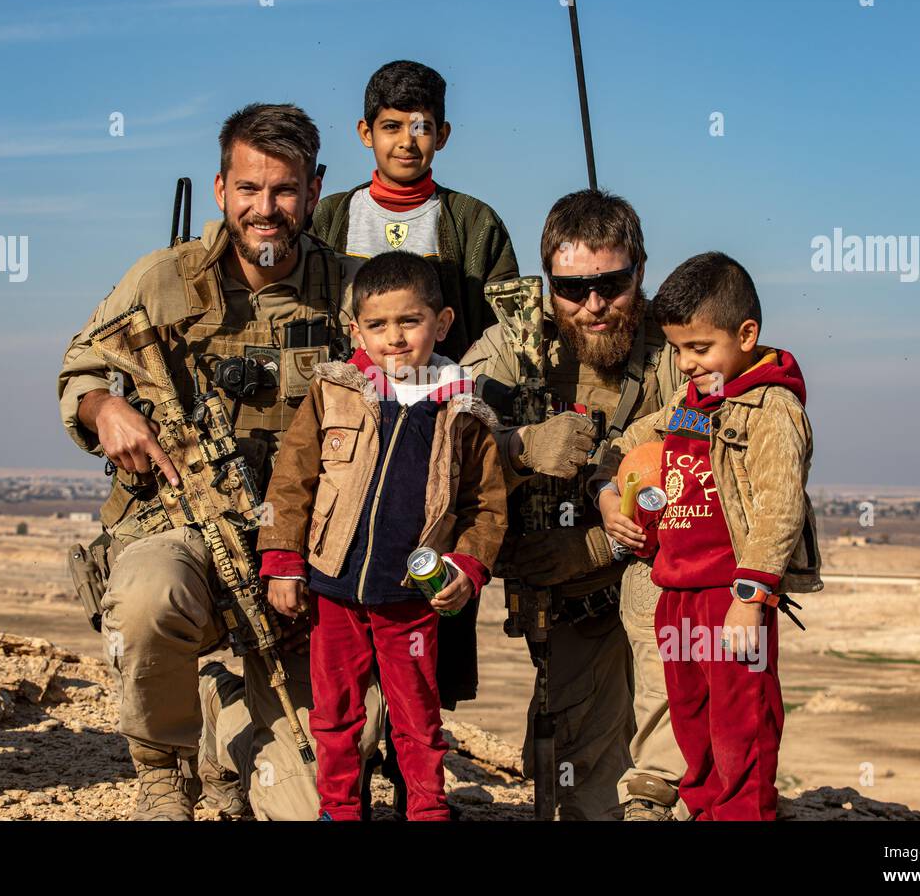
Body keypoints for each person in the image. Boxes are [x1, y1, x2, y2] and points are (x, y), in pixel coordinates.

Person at [57, 102, 384, 820]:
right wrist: (104, 410)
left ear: (316, 189)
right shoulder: (163, 279)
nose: (265, 209)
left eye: (285, 190)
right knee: (148, 597)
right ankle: (163, 769)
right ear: (219, 189)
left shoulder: (355, 292)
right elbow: (78, 369)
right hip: (181, 531)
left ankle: (223, 727)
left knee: (330, 769)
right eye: (248, 189)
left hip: (304, 554)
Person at [461, 189, 688, 820]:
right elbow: (443, 443)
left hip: (659, 574)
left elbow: (732, 438)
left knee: (681, 758)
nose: (593, 306)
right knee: (581, 789)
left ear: (640, 271)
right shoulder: (514, 344)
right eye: (571, 288)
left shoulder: (675, 344)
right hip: (568, 599)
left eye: (612, 284)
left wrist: (611, 527)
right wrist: (519, 447)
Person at [256, 251, 507, 820]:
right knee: (336, 711)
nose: (393, 339)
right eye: (377, 325)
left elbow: (485, 507)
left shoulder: (463, 409)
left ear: (440, 323)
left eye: (409, 322)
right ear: (356, 330)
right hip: (333, 587)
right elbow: (293, 478)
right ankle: (339, 809)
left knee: (417, 714)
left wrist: (467, 570)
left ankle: (426, 809)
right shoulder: (333, 390)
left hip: (410, 597)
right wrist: (282, 559)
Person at [597, 251, 823, 820]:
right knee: (691, 719)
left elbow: (778, 505)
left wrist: (752, 598)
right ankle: (701, 807)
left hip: (732, 597)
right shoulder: (693, 405)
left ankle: (744, 812)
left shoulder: (771, 408)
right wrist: (606, 488)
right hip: (677, 595)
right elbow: (637, 440)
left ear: (747, 334)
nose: (686, 363)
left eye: (699, 348)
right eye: (677, 349)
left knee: (740, 721)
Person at [311, 59, 518, 360]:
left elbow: (505, 332)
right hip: (346, 395)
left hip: (445, 397)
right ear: (366, 133)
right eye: (391, 127)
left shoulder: (476, 222)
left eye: (421, 128)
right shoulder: (329, 216)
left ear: (442, 135)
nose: (406, 142)